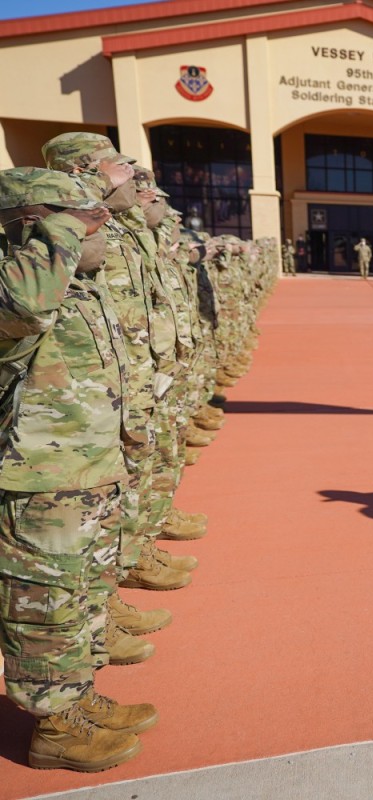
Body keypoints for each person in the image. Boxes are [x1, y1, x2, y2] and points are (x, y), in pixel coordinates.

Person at [0, 167, 156, 771]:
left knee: (85, 596)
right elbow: (23, 309)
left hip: (87, 472)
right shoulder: (22, 287)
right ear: (32, 229)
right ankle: (54, 728)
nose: (100, 227)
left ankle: (79, 699)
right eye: (82, 217)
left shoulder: (76, 285)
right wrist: (60, 231)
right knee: (47, 607)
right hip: (39, 481)